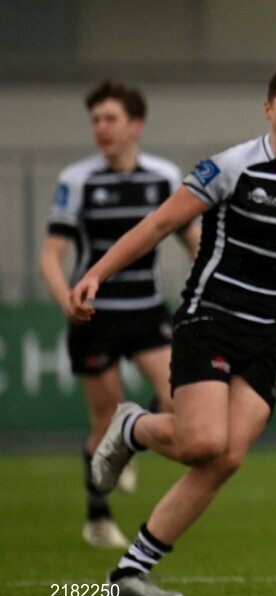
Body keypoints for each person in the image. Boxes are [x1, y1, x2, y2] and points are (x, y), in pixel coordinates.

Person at [69, 65, 276, 596]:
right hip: (210, 321)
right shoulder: (230, 167)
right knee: (202, 443)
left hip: (267, 338)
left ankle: (131, 570)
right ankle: (132, 427)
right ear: (269, 110)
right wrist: (96, 275)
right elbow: (158, 224)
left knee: (225, 458)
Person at [39, 80, 200, 550]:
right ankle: (98, 518)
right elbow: (51, 255)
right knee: (102, 421)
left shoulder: (163, 176)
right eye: (95, 120)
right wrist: (67, 300)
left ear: (135, 125)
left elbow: (194, 241)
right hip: (95, 318)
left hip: (148, 313)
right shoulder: (77, 180)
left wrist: (206, 292)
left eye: (110, 119)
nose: (101, 128)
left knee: (179, 401)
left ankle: (131, 435)